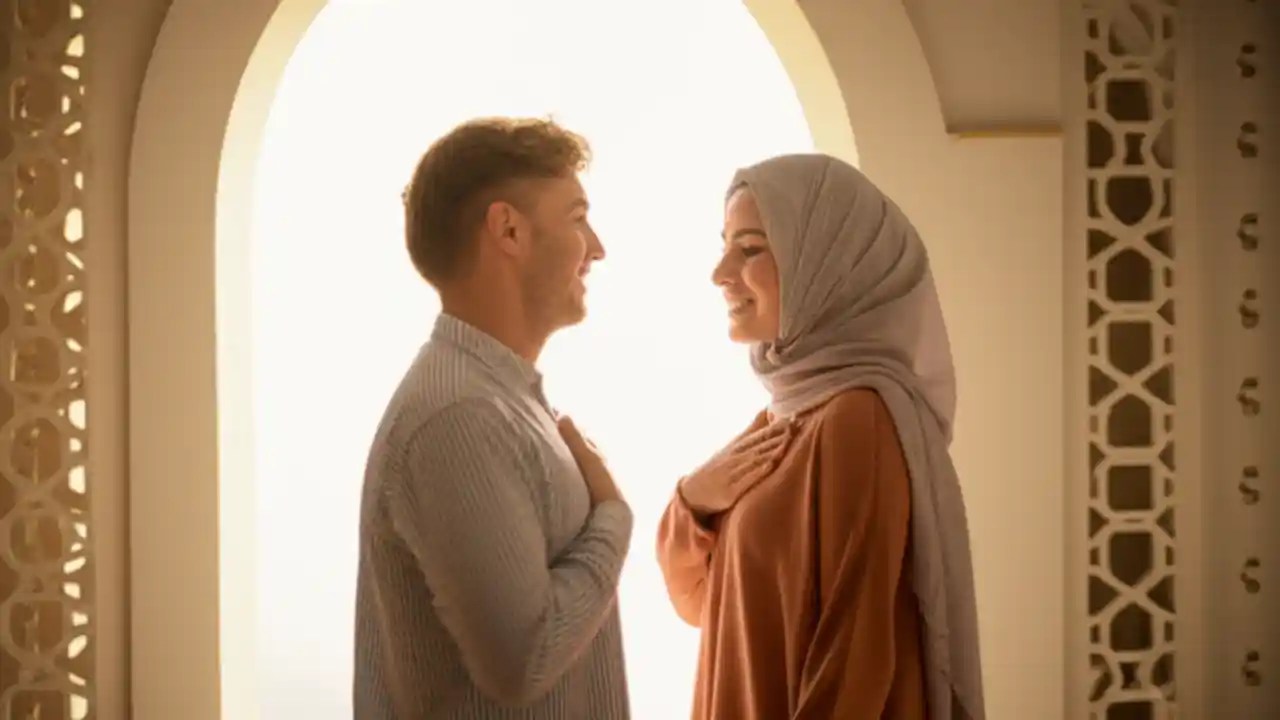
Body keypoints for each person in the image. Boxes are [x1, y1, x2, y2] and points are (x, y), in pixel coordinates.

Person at [656, 154, 986, 720]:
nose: (721, 272)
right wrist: (691, 503)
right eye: (726, 245)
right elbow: (701, 604)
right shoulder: (782, 419)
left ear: (825, 262)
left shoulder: (857, 419)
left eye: (751, 249)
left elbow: (855, 648)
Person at [353, 117, 633, 719]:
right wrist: (613, 521)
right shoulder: (461, 418)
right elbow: (524, 661)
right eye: (578, 217)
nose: (599, 247)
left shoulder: (495, 403)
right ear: (508, 230)